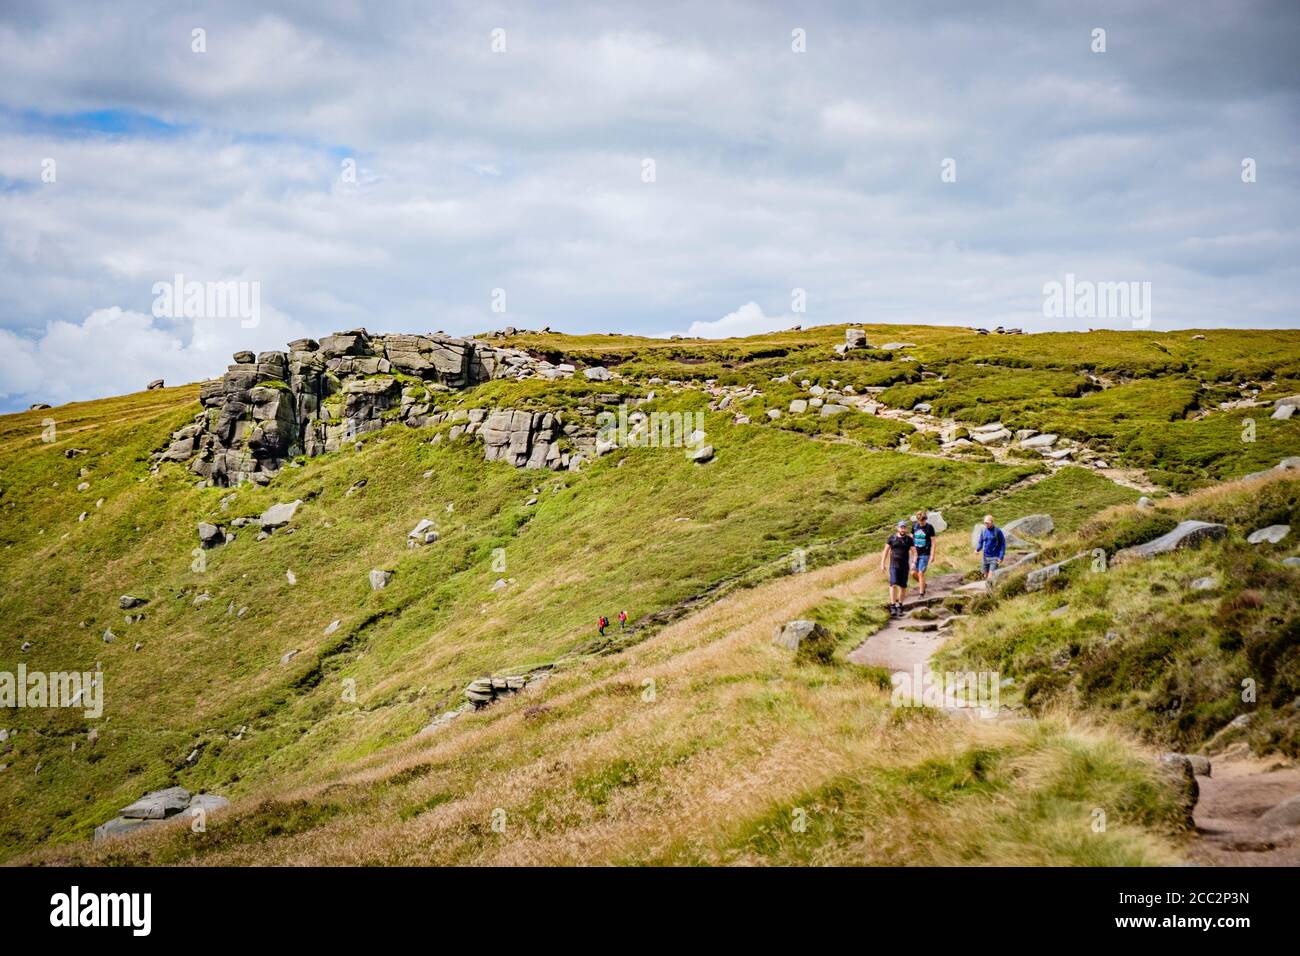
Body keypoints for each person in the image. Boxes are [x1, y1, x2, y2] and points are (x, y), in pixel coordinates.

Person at [880, 519, 916, 618]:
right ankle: (892, 606)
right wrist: (882, 563)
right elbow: (885, 551)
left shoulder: (909, 539)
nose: (903, 529)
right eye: (901, 527)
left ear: (906, 528)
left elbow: (914, 552)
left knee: (903, 586)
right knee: (893, 584)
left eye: (904, 527)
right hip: (894, 565)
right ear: (898, 528)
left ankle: (900, 605)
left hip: (905, 566)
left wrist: (914, 562)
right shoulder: (892, 538)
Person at [911, 509, 939, 597]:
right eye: (921, 521)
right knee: (912, 573)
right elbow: (911, 538)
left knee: (920, 572)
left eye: (924, 520)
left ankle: (921, 594)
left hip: (925, 553)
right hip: (915, 553)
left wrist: (932, 555)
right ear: (918, 520)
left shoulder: (929, 527)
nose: (922, 522)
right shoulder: (914, 526)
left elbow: (934, 542)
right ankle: (922, 584)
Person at [975, 514, 1006, 580]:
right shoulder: (983, 531)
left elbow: (1003, 544)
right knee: (985, 577)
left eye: (987, 523)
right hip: (985, 557)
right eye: (985, 523)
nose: (986, 524)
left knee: (990, 577)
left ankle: (992, 589)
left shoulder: (997, 531)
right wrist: (977, 549)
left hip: (994, 557)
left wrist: (1001, 557)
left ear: (992, 522)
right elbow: (980, 542)